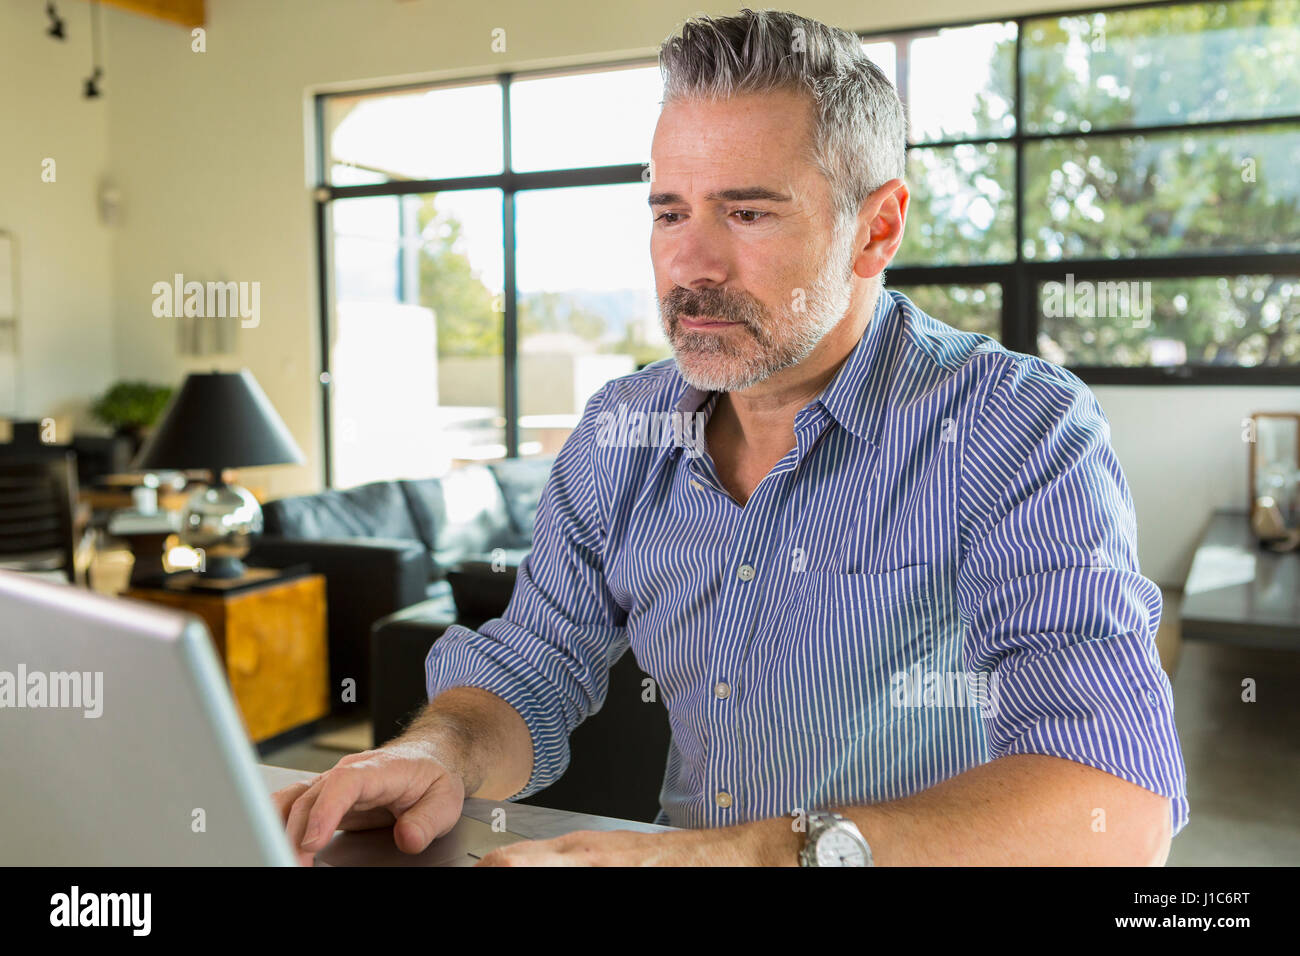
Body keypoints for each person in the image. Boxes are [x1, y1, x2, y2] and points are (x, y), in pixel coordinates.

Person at [274, 8, 1187, 866]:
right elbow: (529, 665)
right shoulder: (621, 433)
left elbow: (1116, 800)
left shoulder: (1011, 428)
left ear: (877, 228)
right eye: (670, 210)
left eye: (747, 213)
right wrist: (439, 752)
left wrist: (743, 856)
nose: (692, 266)